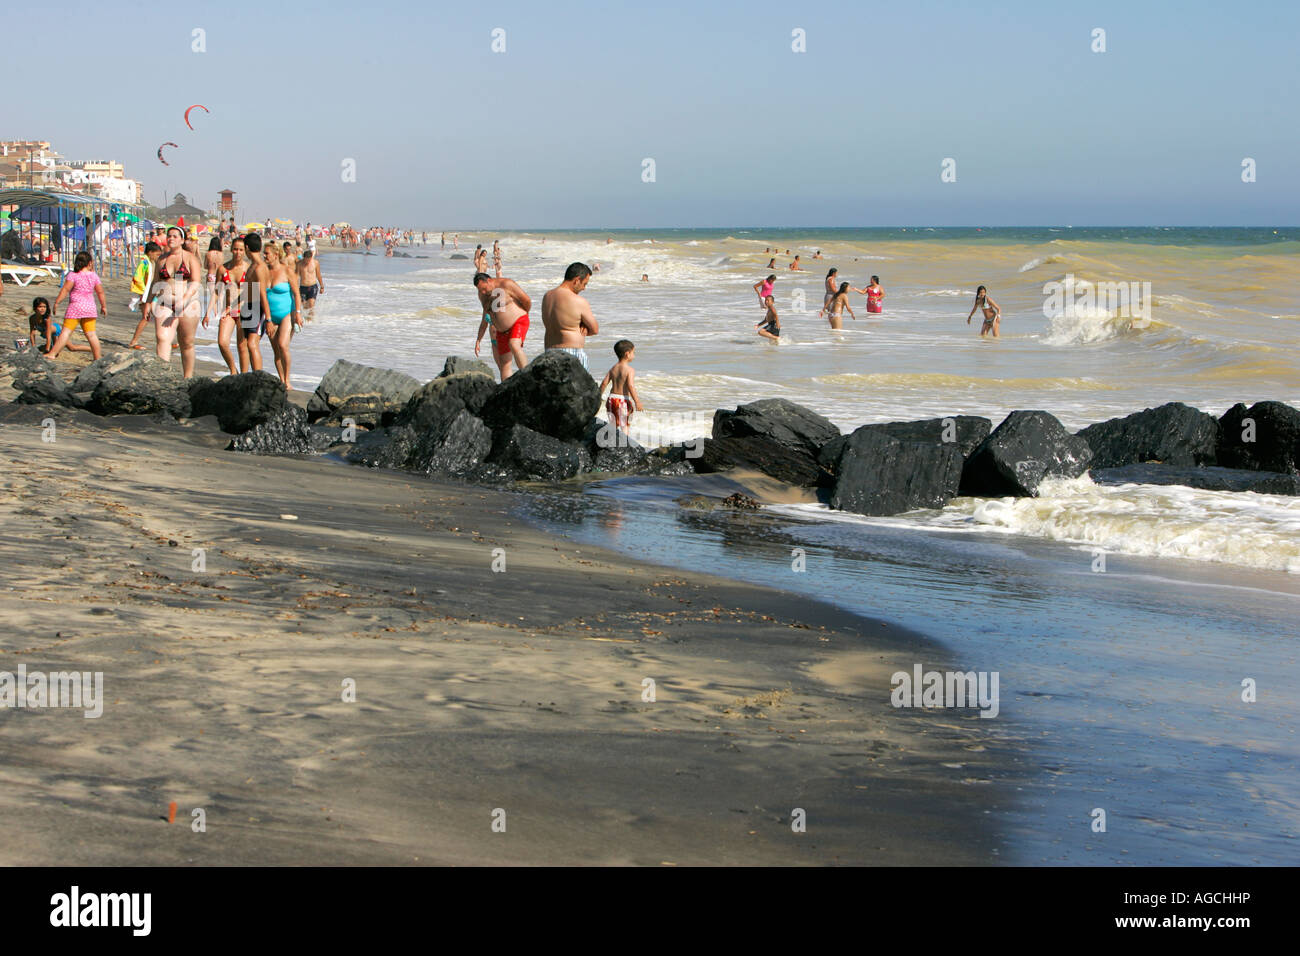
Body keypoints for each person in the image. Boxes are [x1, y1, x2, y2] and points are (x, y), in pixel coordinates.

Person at [151, 226, 204, 376]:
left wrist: (184, 299)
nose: (171, 238)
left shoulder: (190, 258)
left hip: (188, 303)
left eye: (175, 236)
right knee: (162, 338)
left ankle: (188, 377)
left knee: (186, 342)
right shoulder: (161, 259)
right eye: (169, 236)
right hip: (165, 301)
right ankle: (163, 375)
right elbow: (155, 282)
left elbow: (195, 282)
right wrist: (148, 302)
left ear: (182, 240)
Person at [473, 271, 531, 381]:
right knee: (504, 363)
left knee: (514, 344)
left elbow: (526, 300)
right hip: (501, 331)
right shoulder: (483, 295)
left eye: (484, 289)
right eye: (480, 290)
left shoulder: (506, 284)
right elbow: (485, 317)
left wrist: (524, 313)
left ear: (489, 280)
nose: (483, 292)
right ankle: (506, 390)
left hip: (518, 321)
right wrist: (478, 339)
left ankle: (528, 377)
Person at [541, 262, 599, 371]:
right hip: (571, 354)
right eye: (584, 284)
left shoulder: (547, 296)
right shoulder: (578, 301)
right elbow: (595, 329)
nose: (584, 288)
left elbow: (560, 320)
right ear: (577, 280)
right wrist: (585, 327)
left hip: (549, 353)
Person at [48, 251, 105, 360]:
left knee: (66, 332)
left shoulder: (73, 275)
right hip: (90, 308)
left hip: (75, 308)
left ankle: (52, 353)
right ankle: (98, 358)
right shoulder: (94, 276)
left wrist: (57, 302)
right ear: (89, 263)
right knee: (92, 335)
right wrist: (103, 306)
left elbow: (65, 289)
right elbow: (100, 292)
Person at [262, 242, 301, 386]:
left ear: (276, 255)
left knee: (283, 345)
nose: (264, 256)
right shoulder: (264, 272)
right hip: (270, 316)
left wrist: (298, 313)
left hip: (287, 314)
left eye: (267, 253)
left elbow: (297, 294)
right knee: (276, 351)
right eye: (264, 253)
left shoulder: (287, 271)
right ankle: (282, 379)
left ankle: (288, 380)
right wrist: (268, 320)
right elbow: (260, 295)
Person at [238, 232, 271, 372]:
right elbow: (247, 291)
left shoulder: (259, 267)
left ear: (246, 247)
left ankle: (258, 377)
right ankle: (248, 376)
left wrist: (268, 319)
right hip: (248, 307)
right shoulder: (252, 266)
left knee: (252, 344)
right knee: (245, 344)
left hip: (258, 308)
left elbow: (263, 293)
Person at [215, 235, 249, 373]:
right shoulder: (223, 269)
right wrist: (210, 311)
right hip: (228, 310)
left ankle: (244, 376)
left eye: (241, 250)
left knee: (242, 346)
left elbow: (252, 292)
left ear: (245, 251)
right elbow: (217, 291)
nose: (238, 253)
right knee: (222, 342)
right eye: (235, 249)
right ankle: (233, 370)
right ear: (231, 249)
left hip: (245, 310)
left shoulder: (249, 268)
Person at [598, 339, 644, 434]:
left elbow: (604, 383)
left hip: (611, 399)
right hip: (622, 401)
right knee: (624, 425)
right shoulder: (629, 370)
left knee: (613, 424)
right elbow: (630, 386)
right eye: (633, 353)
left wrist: (598, 396)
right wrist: (637, 402)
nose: (634, 355)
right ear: (627, 354)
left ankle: (611, 442)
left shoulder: (613, 368)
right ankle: (625, 444)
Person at [126, 241, 164, 349]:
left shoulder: (150, 262)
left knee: (157, 316)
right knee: (146, 317)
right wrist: (143, 294)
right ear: (150, 252)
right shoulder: (144, 262)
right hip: (144, 295)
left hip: (150, 294)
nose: (158, 257)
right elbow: (137, 279)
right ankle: (134, 341)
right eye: (157, 254)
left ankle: (163, 339)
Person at [297, 250, 324, 321]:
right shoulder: (299, 264)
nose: (307, 262)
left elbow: (318, 274)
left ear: (311, 257)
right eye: (306, 260)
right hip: (303, 287)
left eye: (309, 260)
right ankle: (307, 320)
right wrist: (295, 288)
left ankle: (311, 322)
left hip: (313, 286)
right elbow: (296, 276)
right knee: (305, 306)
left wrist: (322, 286)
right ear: (304, 258)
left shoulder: (315, 263)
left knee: (311, 304)